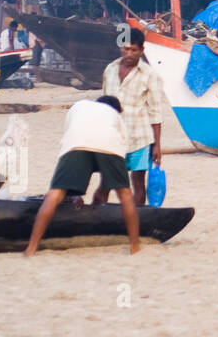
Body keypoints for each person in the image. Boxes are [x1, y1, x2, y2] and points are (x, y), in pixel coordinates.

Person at [24, 96, 140, 256]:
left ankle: (31, 247)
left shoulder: (79, 106)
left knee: (54, 195)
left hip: (75, 144)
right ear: (116, 110)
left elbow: (71, 137)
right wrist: (104, 187)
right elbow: (120, 150)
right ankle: (135, 246)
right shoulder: (116, 117)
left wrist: (73, 193)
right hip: (110, 146)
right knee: (125, 196)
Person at [96, 27, 171, 206]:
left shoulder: (149, 74)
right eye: (125, 49)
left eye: (133, 50)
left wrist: (157, 145)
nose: (128, 53)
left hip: (140, 138)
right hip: (112, 137)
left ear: (142, 50)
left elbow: (155, 111)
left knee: (137, 182)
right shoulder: (110, 69)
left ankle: (136, 222)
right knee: (106, 183)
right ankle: (97, 221)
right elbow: (104, 104)